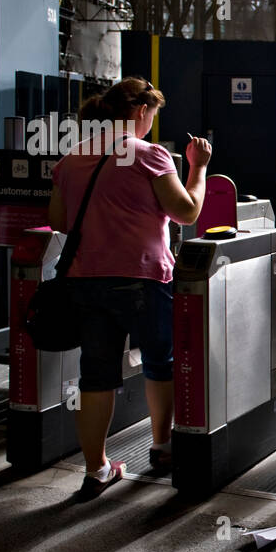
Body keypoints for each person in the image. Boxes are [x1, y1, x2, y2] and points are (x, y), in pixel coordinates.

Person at [47, 76, 212, 494]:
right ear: (141, 111)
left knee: (96, 375)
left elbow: (61, 222)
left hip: (86, 281)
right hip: (143, 277)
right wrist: (198, 167)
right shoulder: (149, 155)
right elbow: (187, 211)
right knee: (160, 363)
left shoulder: (73, 158)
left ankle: (96, 469)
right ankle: (161, 446)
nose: (151, 124)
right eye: (152, 115)